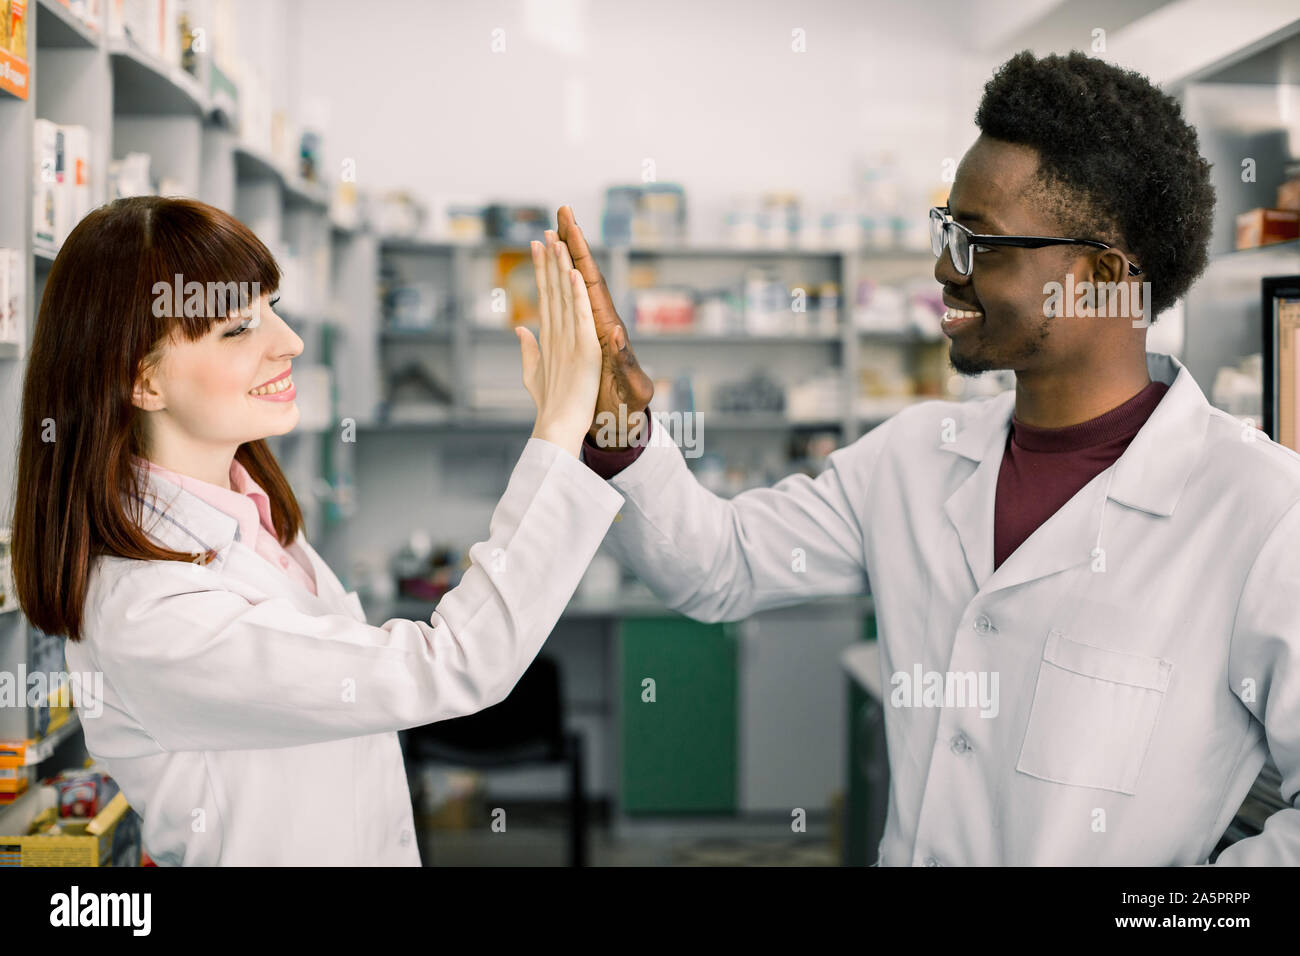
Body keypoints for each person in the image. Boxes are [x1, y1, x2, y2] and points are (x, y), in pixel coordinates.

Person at [549, 50, 1300, 866]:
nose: (945, 268)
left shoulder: (1259, 513)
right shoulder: (915, 458)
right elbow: (715, 566)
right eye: (949, 230)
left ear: (1099, 277)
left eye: (984, 244)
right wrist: (613, 425)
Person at [11, 195, 619, 865]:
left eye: (273, 306)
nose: (290, 342)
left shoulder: (251, 514)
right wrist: (561, 430)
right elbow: (449, 667)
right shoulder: (150, 610)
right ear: (144, 380)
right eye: (240, 328)